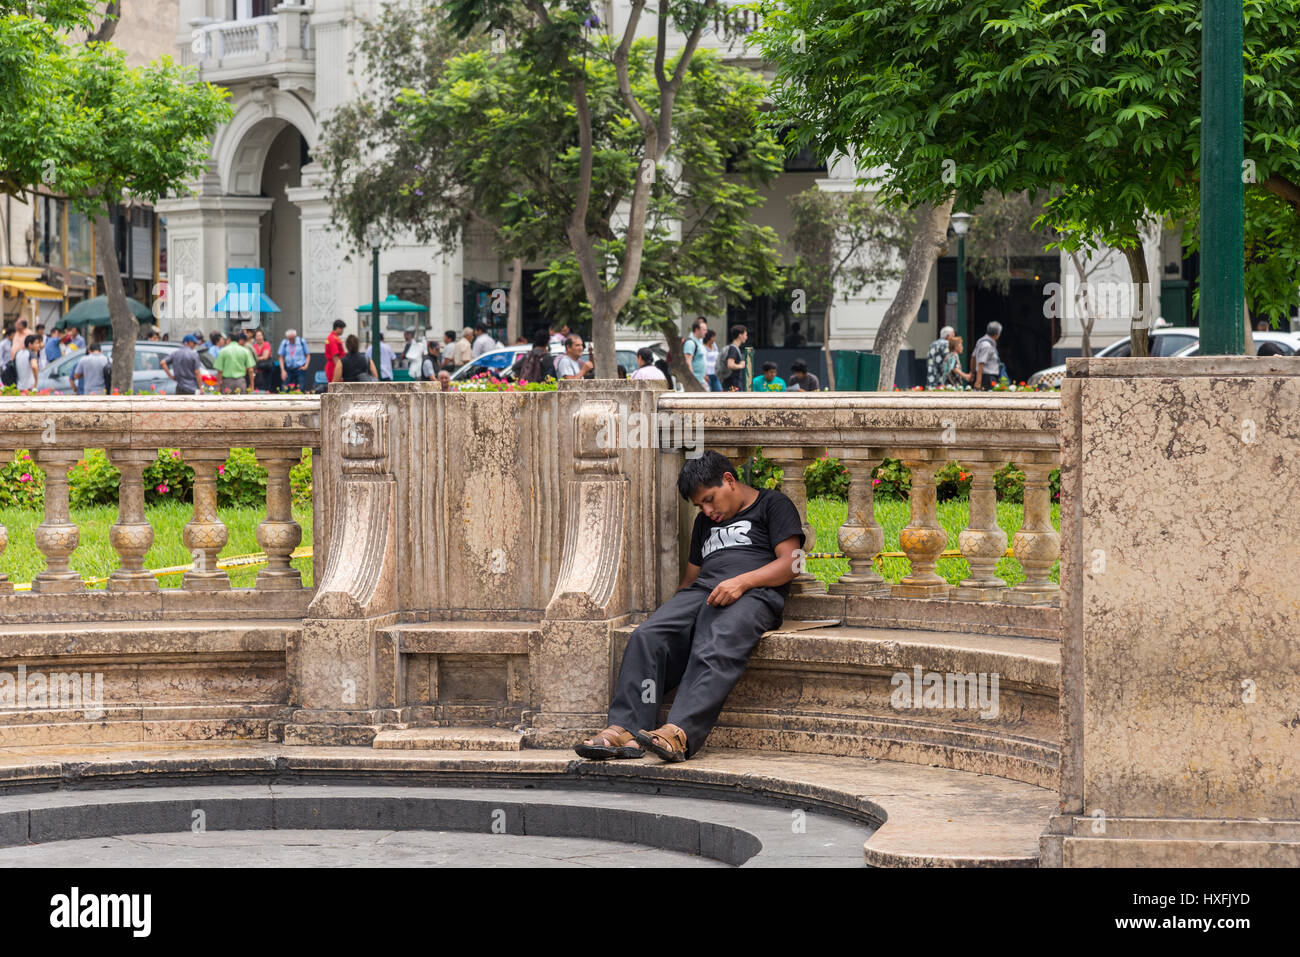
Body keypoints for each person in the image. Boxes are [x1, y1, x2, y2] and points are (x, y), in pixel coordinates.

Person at [576, 450, 804, 762]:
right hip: (702, 592)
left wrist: (743, 582)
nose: (708, 510)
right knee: (648, 636)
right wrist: (675, 618)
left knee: (717, 639)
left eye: (710, 499)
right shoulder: (704, 523)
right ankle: (626, 729)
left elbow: (792, 564)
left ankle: (678, 733)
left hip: (754, 594)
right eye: (700, 506)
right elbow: (691, 579)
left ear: (729, 480)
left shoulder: (772, 505)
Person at [972, 321, 1003, 391]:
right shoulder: (987, 345)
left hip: (986, 377)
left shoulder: (980, 341)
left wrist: (972, 373)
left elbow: (973, 357)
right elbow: (981, 363)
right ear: (997, 334)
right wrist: (978, 382)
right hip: (987, 378)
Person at [926, 325, 956, 389]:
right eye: (953, 335)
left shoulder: (932, 344)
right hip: (942, 380)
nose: (954, 338)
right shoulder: (947, 344)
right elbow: (948, 362)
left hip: (931, 378)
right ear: (948, 336)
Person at [681, 316, 708, 387]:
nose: (706, 332)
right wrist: (691, 380)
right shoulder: (691, 343)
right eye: (704, 330)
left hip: (701, 380)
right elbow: (688, 362)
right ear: (697, 330)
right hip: (695, 381)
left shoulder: (699, 342)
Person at [324, 319, 347, 383]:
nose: (343, 331)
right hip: (334, 367)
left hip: (333, 366)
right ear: (337, 328)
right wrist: (339, 369)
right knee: (335, 386)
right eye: (342, 329)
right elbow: (335, 356)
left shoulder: (332, 337)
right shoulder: (333, 339)